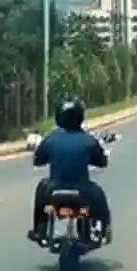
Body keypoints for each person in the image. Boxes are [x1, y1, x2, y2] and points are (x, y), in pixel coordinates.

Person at [28, 100, 112, 244]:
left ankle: (39, 230)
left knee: (40, 190)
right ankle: (103, 230)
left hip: (54, 189)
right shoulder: (88, 140)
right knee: (100, 196)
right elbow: (102, 162)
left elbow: (38, 161)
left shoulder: (51, 138)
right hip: (83, 190)